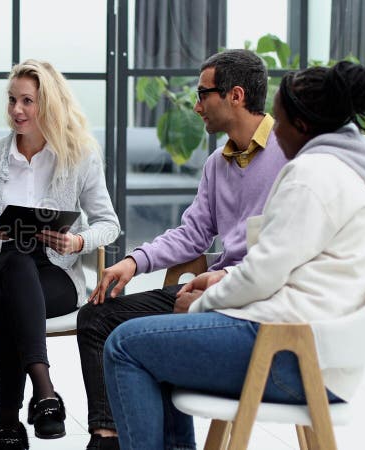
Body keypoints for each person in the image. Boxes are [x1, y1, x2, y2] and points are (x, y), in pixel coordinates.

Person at [103, 61, 365, 450]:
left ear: (302, 125)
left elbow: (262, 275)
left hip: (288, 352)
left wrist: (202, 304)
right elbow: (283, 263)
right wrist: (215, 284)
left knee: (125, 345)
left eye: (281, 120)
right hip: (322, 354)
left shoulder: (312, 174)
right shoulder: (363, 172)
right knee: (155, 341)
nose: (275, 129)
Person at [76, 49, 288, 450]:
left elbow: (285, 256)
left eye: (204, 93)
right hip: (206, 289)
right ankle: (108, 436)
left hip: (248, 297)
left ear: (236, 96)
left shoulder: (289, 155)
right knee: (96, 316)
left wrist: (221, 281)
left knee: (140, 343)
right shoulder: (216, 164)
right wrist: (133, 262)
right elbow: (193, 234)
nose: (196, 105)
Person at [0, 59, 120, 449]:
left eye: (27, 101)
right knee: (14, 261)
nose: (16, 110)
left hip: (54, 275)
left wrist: (78, 243)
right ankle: (44, 392)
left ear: (50, 106)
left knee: (10, 293)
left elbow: (108, 223)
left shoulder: (79, 156)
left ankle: (8, 424)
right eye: (12, 100)